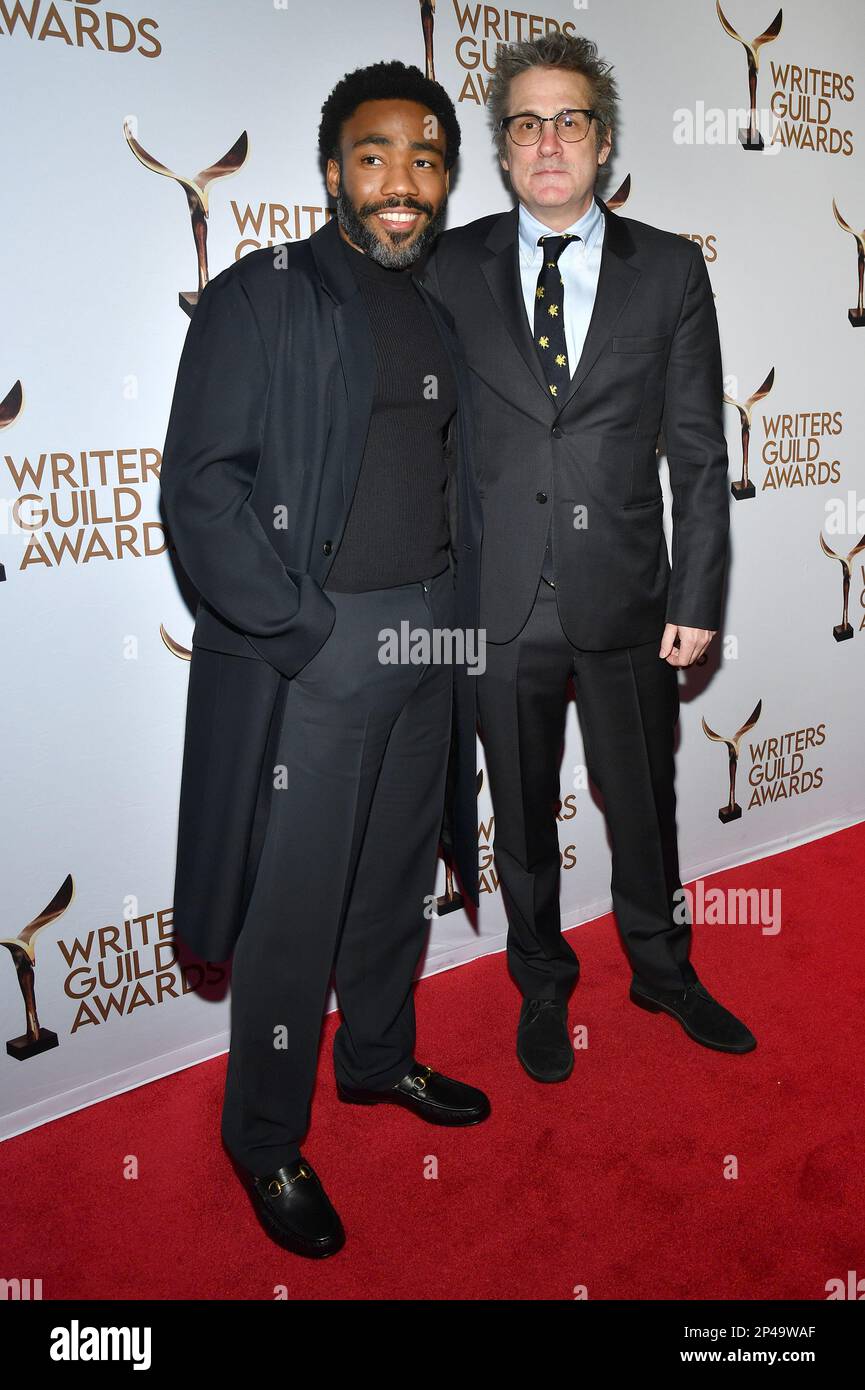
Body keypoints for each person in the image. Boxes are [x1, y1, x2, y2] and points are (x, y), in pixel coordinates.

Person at [160, 60, 487, 1259]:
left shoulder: (439, 308)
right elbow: (200, 492)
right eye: (374, 154)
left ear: (446, 176)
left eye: (425, 158)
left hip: (431, 634)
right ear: (333, 170)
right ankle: (266, 1139)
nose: (401, 182)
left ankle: (378, 1061)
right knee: (293, 916)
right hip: (326, 653)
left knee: (396, 876)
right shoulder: (263, 297)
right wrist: (307, 632)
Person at [421, 32, 756, 1083]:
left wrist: (699, 592)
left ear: (601, 141)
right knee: (518, 817)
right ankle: (542, 980)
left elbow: (700, 449)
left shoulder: (668, 269)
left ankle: (659, 965)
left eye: (568, 120)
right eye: (525, 123)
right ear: (504, 147)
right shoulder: (447, 267)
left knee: (640, 803)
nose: (548, 140)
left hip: (627, 596)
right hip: (498, 601)